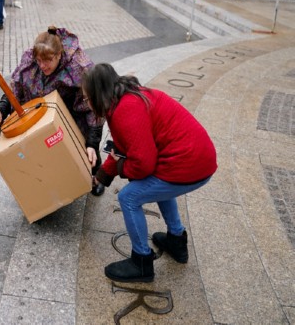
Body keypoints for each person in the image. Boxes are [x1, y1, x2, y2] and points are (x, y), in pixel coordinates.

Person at [84, 63, 217, 283]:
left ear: (99, 94)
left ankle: (142, 262)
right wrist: (101, 177)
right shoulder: (125, 97)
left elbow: (143, 165)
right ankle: (176, 240)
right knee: (158, 184)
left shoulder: (125, 110)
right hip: (197, 158)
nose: (87, 104)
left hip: (191, 163)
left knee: (129, 197)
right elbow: (122, 148)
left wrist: (120, 169)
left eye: (88, 98)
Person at [0, 26, 105, 196]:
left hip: (72, 112)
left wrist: (92, 143)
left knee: (86, 149)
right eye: (39, 61)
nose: (42, 65)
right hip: (39, 111)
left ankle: (96, 176)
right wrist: (0, 111)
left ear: (59, 55)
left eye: (48, 61)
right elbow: (14, 90)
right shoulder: (30, 59)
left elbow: (94, 105)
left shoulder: (79, 66)